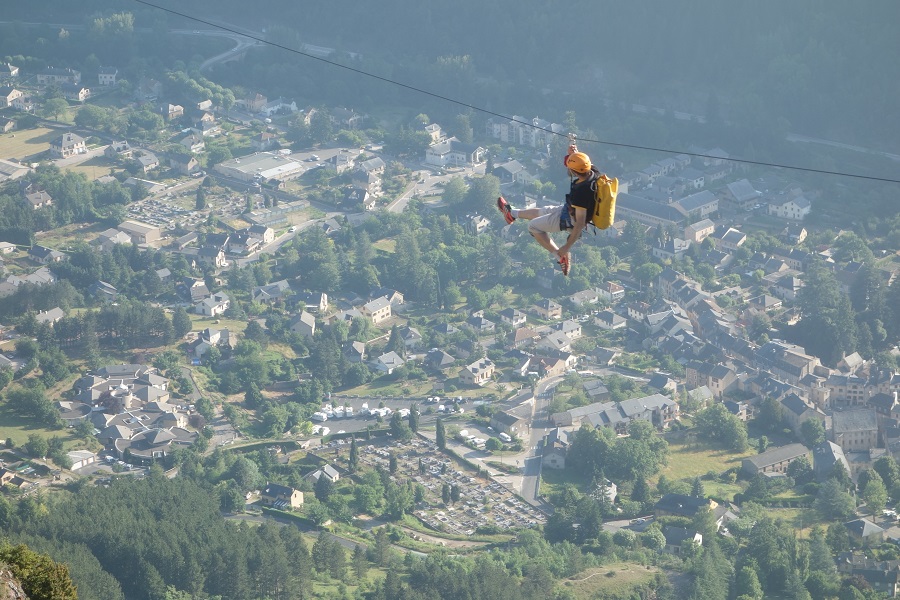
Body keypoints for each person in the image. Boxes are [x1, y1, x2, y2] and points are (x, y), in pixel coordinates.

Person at [496, 144, 600, 276]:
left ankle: (560, 256)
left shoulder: (582, 193)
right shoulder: (594, 173)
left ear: (574, 172)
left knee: (533, 226)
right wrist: (575, 155)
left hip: (569, 220)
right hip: (568, 209)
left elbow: (579, 223)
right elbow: (581, 165)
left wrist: (566, 247)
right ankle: (511, 214)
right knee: (542, 211)